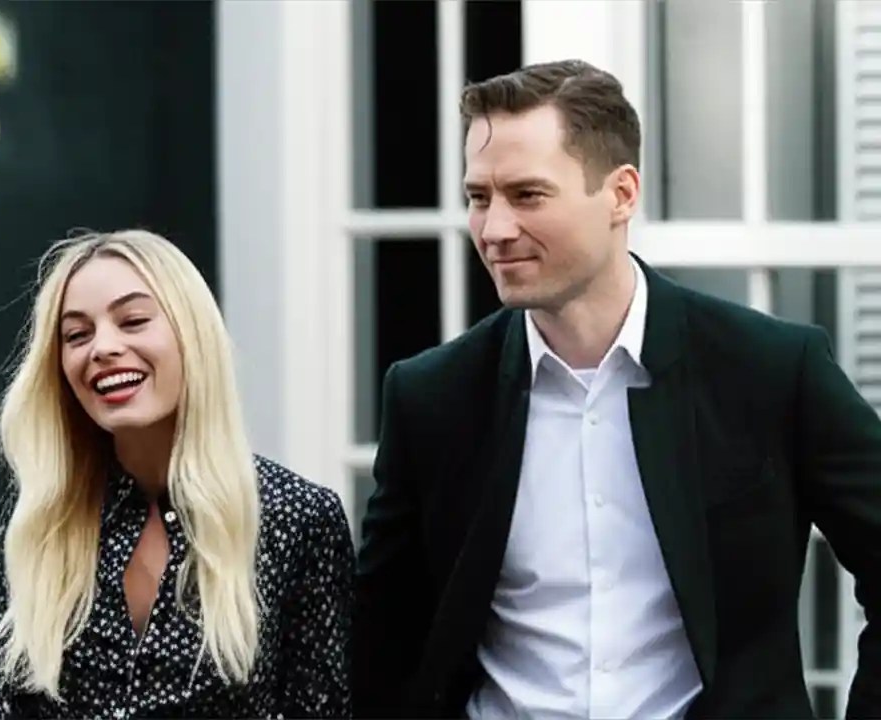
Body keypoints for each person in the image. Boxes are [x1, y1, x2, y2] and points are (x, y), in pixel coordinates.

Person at [350, 59, 881, 719]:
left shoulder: (772, 370)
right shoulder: (430, 396)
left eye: (527, 195)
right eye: (479, 197)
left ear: (622, 194)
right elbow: (382, 639)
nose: (493, 230)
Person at [0, 229, 354, 719]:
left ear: (191, 335)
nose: (103, 348)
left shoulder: (297, 518)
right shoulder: (41, 518)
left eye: (132, 320)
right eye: (76, 335)